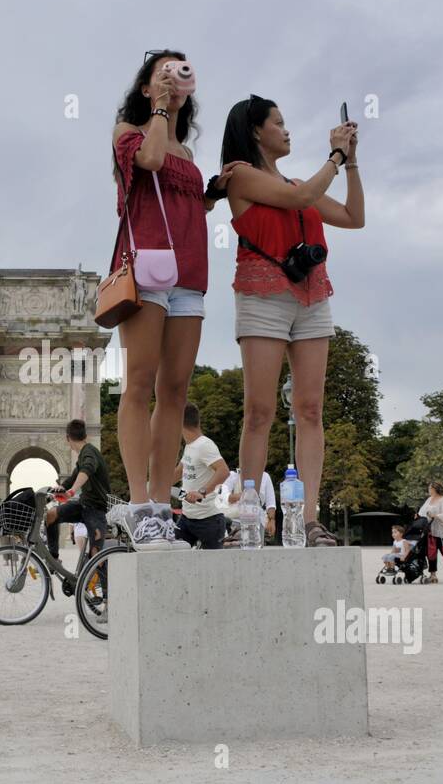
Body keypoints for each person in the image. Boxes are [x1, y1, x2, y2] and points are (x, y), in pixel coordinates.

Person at [110, 50, 245, 549]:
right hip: (146, 264)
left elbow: (185, 202)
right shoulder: (129, 131)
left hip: (189, 271)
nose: (173, 76)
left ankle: (162, 502)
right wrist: (162, 110)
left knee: (174, 392)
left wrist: (214, 193)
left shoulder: (187, 153)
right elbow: (148, 162)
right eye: (161, 72)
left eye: (180, 70)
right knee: (139, 382)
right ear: (146, 88)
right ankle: (140, 502)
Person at [220, 93, 364, 548]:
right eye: (278, 122)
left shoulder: (303, 182)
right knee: (259, 412)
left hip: (311, 295)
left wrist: (352, 164)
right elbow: (299, 196)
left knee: (311, 410)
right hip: (263, 293)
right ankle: (248, 517)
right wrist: (336, 156)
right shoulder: (240, 177)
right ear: (255, 130)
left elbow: (354, 218)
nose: (286, 130)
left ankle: (309, 519)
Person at [44, 419, 112, 562]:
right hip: (83, 505)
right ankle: (54, 558)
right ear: (85, 435)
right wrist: (60, 488)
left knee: (96, 557)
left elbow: (87, 469)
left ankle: (104, 584)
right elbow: (73, 478)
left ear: (68, 438)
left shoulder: (90, 452)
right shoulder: (82, 455)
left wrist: (71, 491)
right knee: (51, 515)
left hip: (96, 510)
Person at [174, 403, 231, 549]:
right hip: (187, 517)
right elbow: (179, 472)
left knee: (212, 568)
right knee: (175, 560)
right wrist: (154, 485)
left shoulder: (204, 445)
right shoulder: (189, 446)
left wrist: (202, 492)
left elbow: (223, 471)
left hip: (209, 520)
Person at [221, 466, 277, 542]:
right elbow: (225, 498)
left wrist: (271, 520)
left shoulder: (265, 476)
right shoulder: (232, 476)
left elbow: (271, 503)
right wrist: (247, 495)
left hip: (257, 522)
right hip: (234, 522)